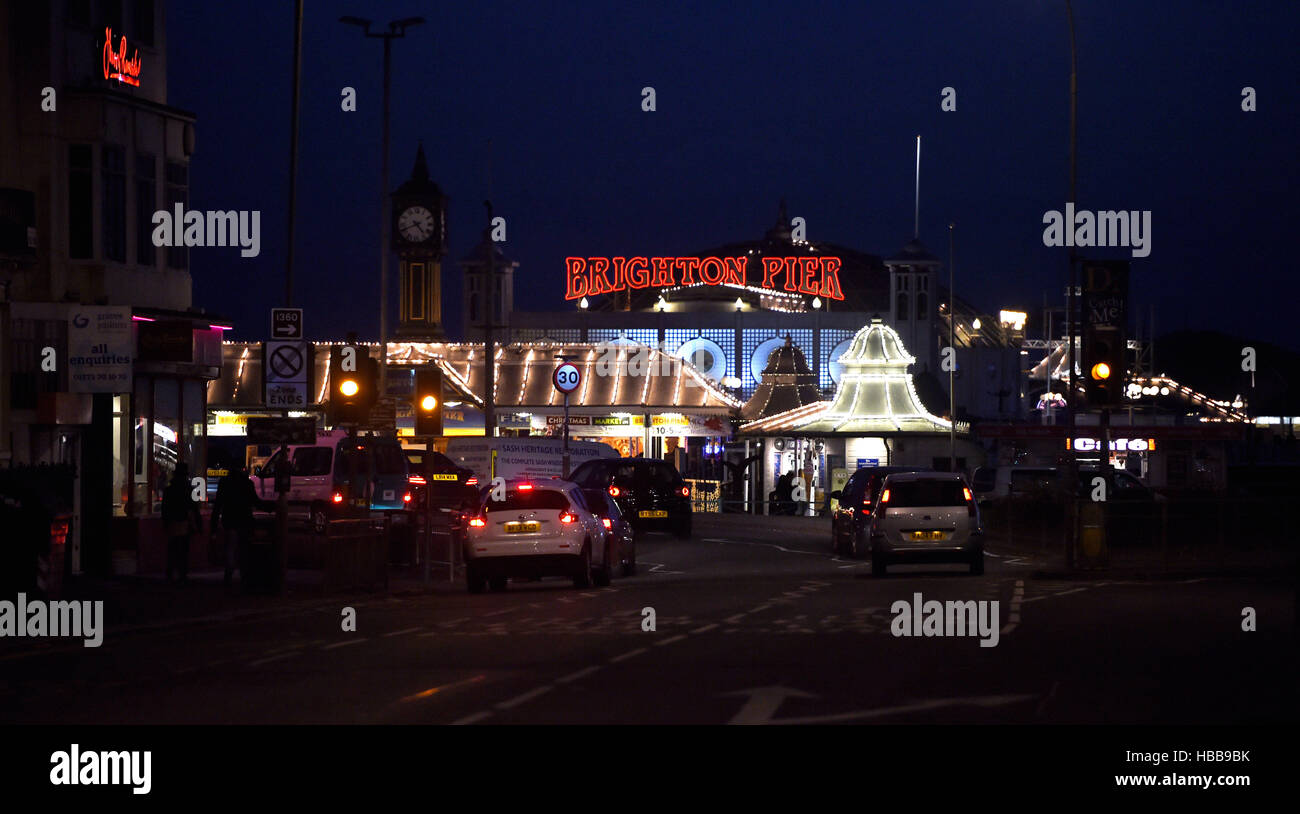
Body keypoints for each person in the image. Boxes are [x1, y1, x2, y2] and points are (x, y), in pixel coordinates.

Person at [211, 463, 274, 593]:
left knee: (231, 549)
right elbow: (256, 502)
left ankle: (228, 576)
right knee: (244, 550)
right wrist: (271, 507)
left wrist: (214, 525)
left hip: (230, 521)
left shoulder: (225, 483)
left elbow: (218, 505)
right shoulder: (246, 483)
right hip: (244, 521)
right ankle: (245, 577)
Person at [161, 463, 202, 583]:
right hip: (185, 522)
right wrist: (198, 525)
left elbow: (165, 509)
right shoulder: (189, 489)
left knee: (172, 549)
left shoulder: (169, 490)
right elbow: (195, 509)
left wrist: (165, 522)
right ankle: (182, 574)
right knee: (183, 550)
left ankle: (170, 572)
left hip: (172, 523)